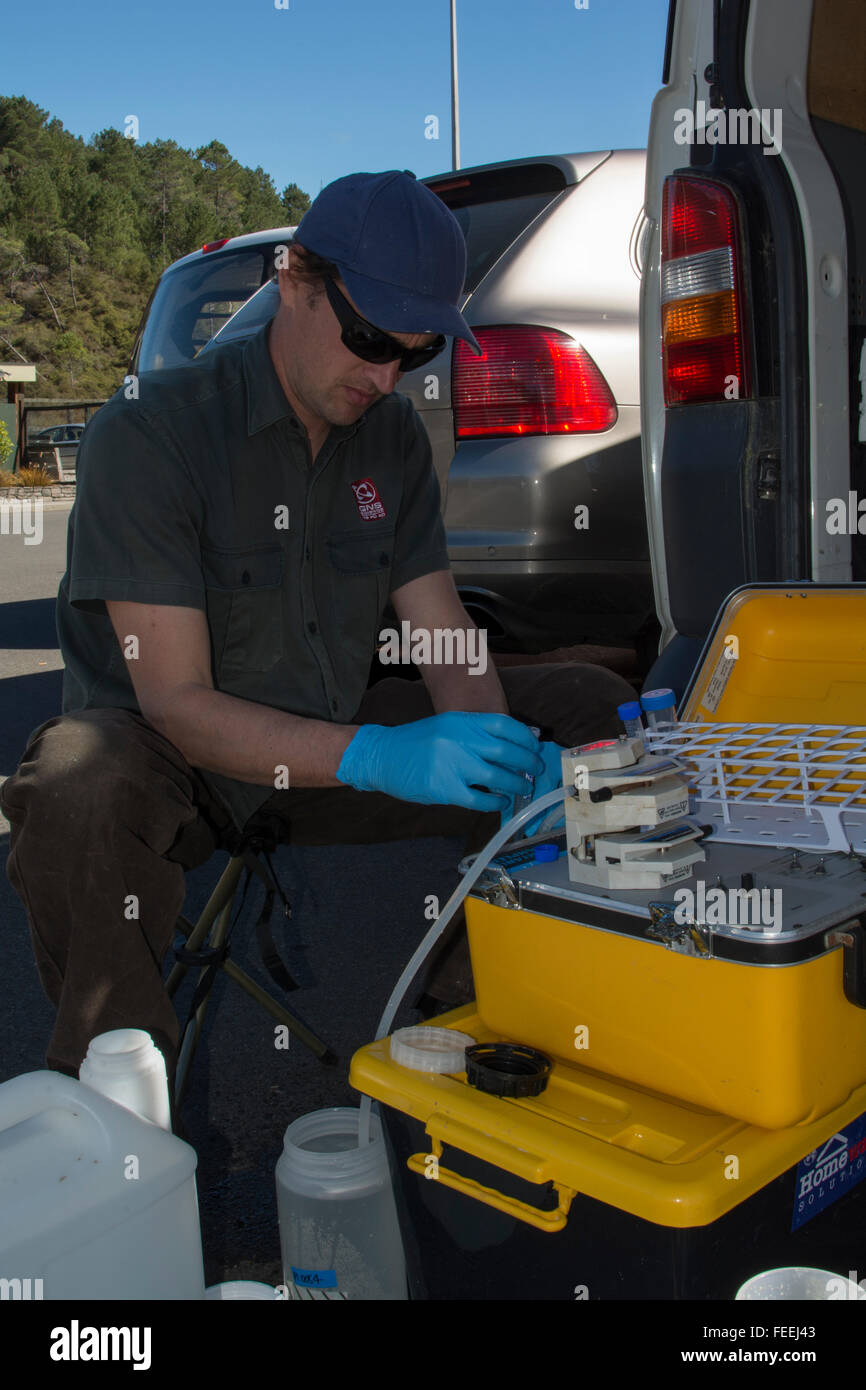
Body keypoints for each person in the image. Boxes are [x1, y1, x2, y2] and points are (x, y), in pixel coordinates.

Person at [1, 170, 635, 1096]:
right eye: (370, 338)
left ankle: (471, 1038)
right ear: (296, 278)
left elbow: (444, 634)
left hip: (330, 741)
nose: (384, 378)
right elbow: (175, 700)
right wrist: (381, 756)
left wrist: (498, 750)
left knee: (592, 708)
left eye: (412, 355)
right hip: (180, 769)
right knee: (73, 784)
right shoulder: (151, 436)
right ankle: (117, 1117)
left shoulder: (391, 443)